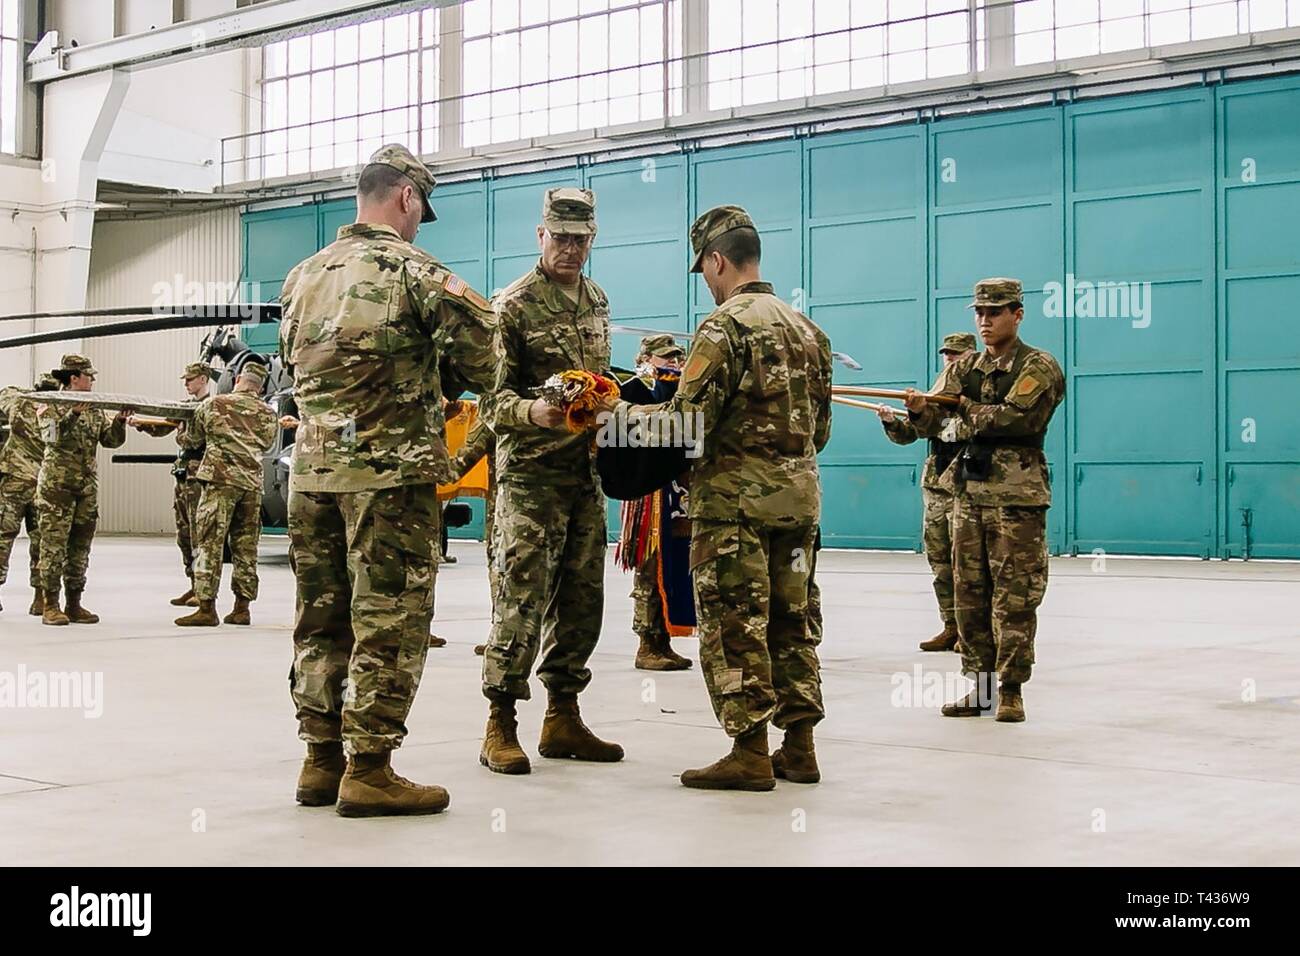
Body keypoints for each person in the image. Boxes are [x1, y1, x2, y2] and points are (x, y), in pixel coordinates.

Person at [279, 143, 495, 817]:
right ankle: (369, 767)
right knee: (389, 620)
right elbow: (487, 356)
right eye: (419, 212)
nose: (417, 224)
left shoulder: (302, 276)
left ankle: (320, 762)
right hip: (389, 479)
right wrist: (437, 378)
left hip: (312, 476)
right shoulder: (416, 271)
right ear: (406, 198)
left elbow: (293, 366)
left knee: (321, 620)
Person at [617, 205, 832, 790]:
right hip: (799, 506)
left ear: (716, 260)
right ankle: (801, 746)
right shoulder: (808, 331)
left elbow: (687, 425)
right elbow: (821, 431)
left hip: (734, 510)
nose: (707, 282)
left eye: (704, 270)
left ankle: (749, 749)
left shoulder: (724, 328)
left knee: (736, 622)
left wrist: (619, 415)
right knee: (793, 623)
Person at [478, 186, 623, 776]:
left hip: (584, 474)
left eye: (580, 239)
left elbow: (600, 377)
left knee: (584, 600)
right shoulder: (511, 305)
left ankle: (563, 715)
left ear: (593, 238)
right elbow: (489, 400)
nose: (570, 248)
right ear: (540, 236)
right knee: (520, 599)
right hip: (531, 479)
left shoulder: (596, 299)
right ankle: (500, 721)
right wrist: (530, 413)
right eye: (560, 237)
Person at [903, 278, 1065, 723]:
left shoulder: (1038, 366)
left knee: (1014, 596)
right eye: (980, 313)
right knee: (969, 593)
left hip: (1017, 497)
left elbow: (1014, 417)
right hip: (968, 495)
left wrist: (965, 412)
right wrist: (921, 410)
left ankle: (1011, 689)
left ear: (1018, 313)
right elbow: (936, 420)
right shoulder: (965, 367)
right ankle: (981, 686)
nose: (985, 321)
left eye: (995, 312)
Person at [877, 332, 977, 652]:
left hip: (966, 487)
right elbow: (912, 433)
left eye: (956, 355)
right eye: (947, 355)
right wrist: (895, 421)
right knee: (940, 563)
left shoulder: (978, 394)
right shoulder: (937, 396)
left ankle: (972, 631)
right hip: (937, 487)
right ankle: (950, 626)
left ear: (971, 356)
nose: (950, 360)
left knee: (968, 564)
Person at [175, 362, 278, 627]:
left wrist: (181, 432)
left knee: (210, 541)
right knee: (246, 547)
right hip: (252, 485)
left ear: (238, 380)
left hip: (220, 481)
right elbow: (267, 443)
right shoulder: (268, 412)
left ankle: (206, 607)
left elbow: (193, 440)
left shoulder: (215, 404)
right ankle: (242, 608)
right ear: (261, 385)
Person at [35, 354, 128, 626]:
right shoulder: (50, 404)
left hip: (86, 487)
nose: (93, 380)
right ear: (74, 378)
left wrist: (119, 423)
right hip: (57, 488)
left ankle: (74, 603)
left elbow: (110, 441)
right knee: (53, 545)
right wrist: (72, 414)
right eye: (89, 375)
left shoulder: (95, 408)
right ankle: (50, 604)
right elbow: (51, 438)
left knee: (80, 546)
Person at [626, 333, 694, 672]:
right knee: (650, 567)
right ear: (646, 357)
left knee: (674, 564)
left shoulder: (679, 387)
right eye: (665, 357)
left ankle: (663, 639)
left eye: (676, 358)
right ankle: (646, 642)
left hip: (676, 490)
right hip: (649, 492)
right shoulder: (635, 387)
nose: (673, 363)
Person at [131, 361, 213, 607]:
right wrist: (141, 424)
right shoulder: (184, 407)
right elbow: (162, 427)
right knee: (184, 534)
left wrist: (179, 431)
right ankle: (192, 583)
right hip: (182, 476)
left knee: (200, 534)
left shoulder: (211, 407)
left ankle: (204, 588)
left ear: (203, 379)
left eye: (190, 379)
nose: (186, 384)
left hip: (198, 476)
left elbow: (193, 439)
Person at [0, 373, 59, 615]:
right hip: (43, 484)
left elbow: (5, 392)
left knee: (3, 539)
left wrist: (28, 394)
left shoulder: (20, 403)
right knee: (42, 542)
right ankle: (40, 598)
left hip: (15, 482)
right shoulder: (58, 412)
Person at [444, 407, 496, 658]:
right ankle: (503, 638)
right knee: (507, 573)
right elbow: (463, 459)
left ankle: (504, 638)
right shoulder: (499, 404)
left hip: (513, 511)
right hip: (510, 510)